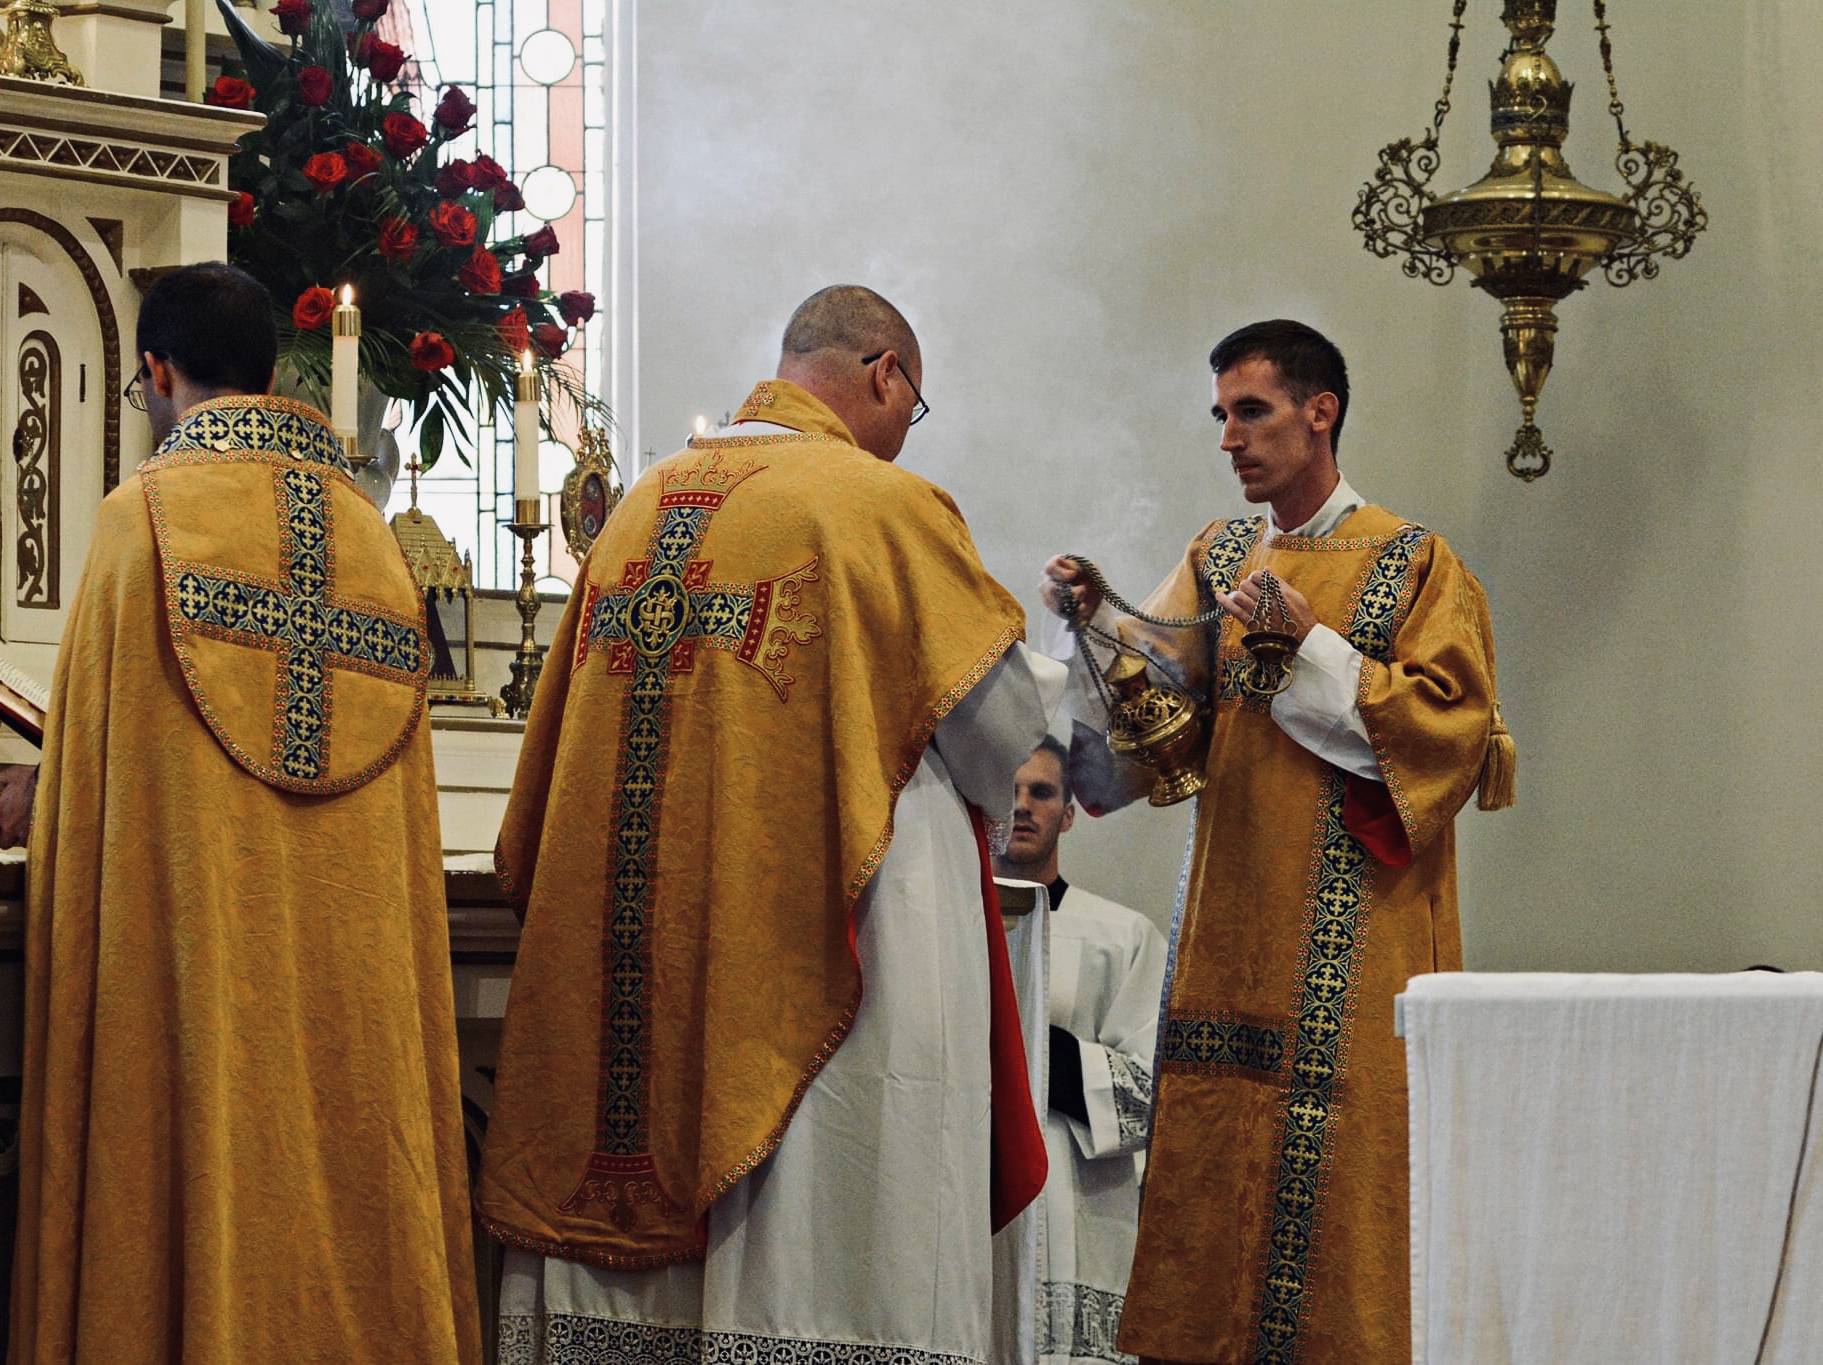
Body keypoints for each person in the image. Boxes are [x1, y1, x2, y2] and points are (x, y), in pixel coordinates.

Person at [480, 284, 1059, 1362]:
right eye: (910, 403)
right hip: (806, 935)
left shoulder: (639, 508)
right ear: (885, 373)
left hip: (628, 947)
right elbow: (1000, 734)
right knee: (814, 1216)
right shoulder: (878, 503)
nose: (902, 432)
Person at [9, 263, 479, 1363]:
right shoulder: (370, 535)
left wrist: (43, 784)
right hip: (344, 983)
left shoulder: (145, 520)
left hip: (197, 973)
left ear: (155, 374)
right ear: (274, 372)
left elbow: (97, 766)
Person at [1044, 319, 1513, 1362]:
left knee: (1342, 1189)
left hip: (1356, 944)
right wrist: (1097, 623)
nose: (1228, 438)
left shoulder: (1410, 562)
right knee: (1214, 1157)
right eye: (1219, 415)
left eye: (1249, 411)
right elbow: (1162, 738)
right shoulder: (1216, 555)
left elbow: (1451, 733)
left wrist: (1307, 645)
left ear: (1319, 411)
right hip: (1226, 925)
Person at [993, 736, 1163, 1365]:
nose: (1022, 806)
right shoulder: (940, 925)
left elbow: (1150, 1093)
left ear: (1067, 813)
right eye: (1010, 792)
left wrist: (1024, 1048)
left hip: (1073, 1197)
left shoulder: (1121, 937)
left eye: (1040, 792)